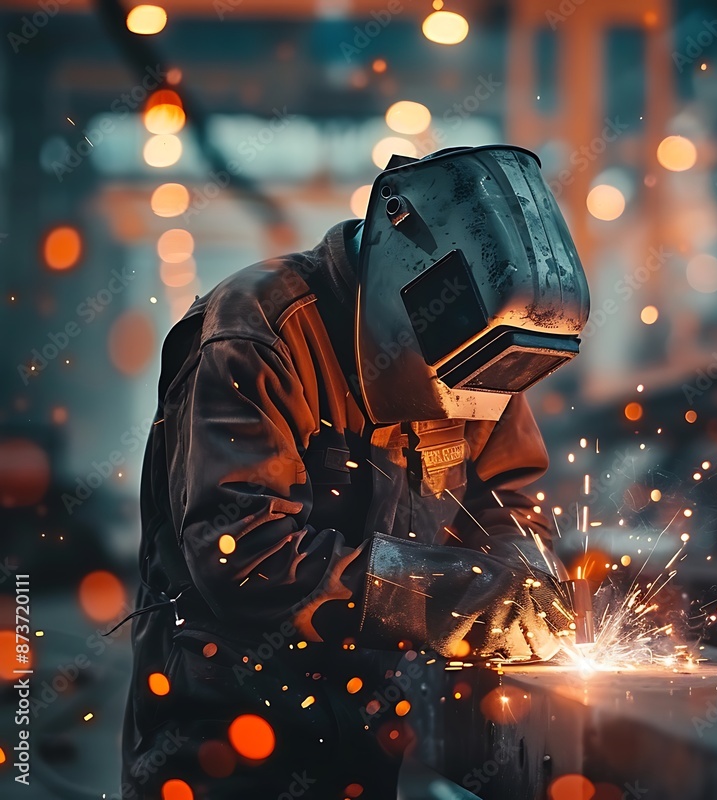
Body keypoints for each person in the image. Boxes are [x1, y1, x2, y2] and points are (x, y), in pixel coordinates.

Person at [119, 145, 591, 799]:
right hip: (227, 741)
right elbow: (244, 559)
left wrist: (525, 584)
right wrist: (458, 599)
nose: (469, 404)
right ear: (410, 285)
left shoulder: (481, 342)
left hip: (364, 736)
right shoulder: (254, 338)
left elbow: (503, 497)